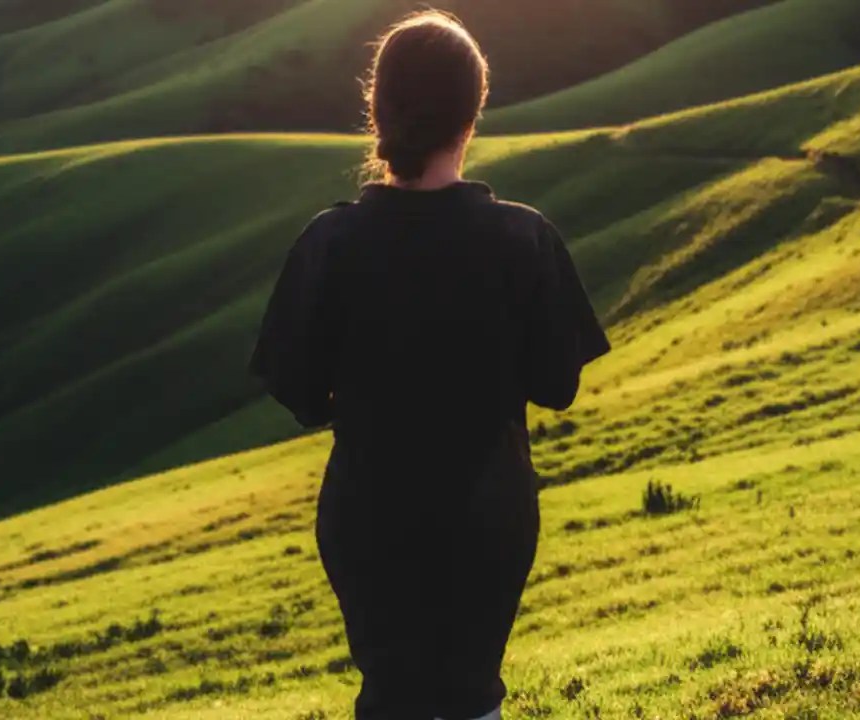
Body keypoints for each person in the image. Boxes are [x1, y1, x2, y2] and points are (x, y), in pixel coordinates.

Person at [250, 10, 609, 720]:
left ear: (377, 110)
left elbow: (294, 387)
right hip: (487, 510)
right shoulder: (523, 239)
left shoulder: (332, 242)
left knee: (390, 690)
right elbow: (558, 386)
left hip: (368, 513)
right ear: (473, 113)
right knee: (474, 688)